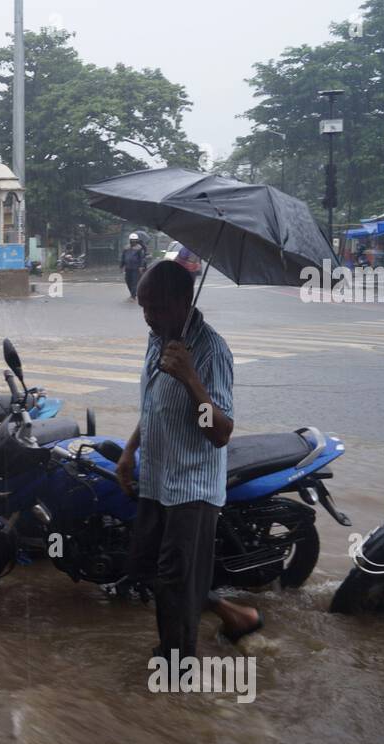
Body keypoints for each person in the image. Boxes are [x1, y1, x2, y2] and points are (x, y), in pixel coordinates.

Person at [115, 260, 261, 659]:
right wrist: (130, 451)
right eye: (143, 306)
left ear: (183, 301)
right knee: (144, 570)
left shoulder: (211, 351)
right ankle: (233, 615)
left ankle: (176, 673)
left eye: (157, 307)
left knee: (174, 588)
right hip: (156, 478)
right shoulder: (159, 336)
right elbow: (154, 406)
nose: (148, 316)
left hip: (191, 488)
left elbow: (220, 433)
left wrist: (191, 380)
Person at [120, 233, 149, 301]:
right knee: (128, 281)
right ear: (130, 240)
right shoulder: (126, 248)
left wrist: (141, 267)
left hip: (136, 268)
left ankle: (133, 296)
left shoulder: (139, 248)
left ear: (137, 240)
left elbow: (141, 258)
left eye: (134, 240)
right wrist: (121, 265)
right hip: (128, 267)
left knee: (134, 282)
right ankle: (133, 294)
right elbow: (123, 257)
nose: (133, 241)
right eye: (132, 240)